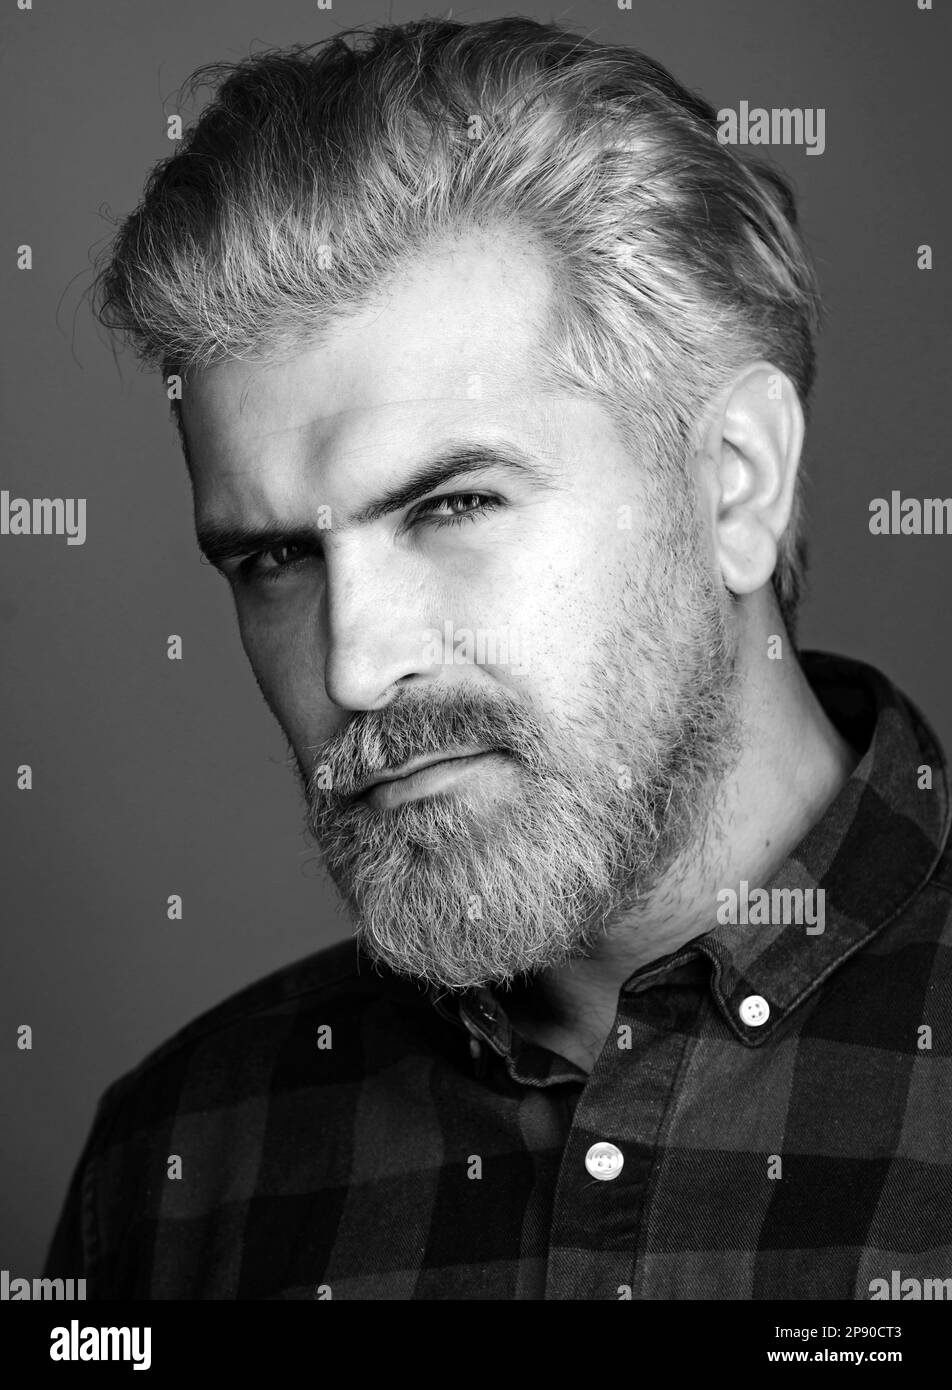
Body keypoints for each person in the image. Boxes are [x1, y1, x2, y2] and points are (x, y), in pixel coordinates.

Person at [45, 17, 951, 1300]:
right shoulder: (182, 1156)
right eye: (270, 562)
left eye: (451, 507)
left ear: (734, 486)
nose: (356, 666)